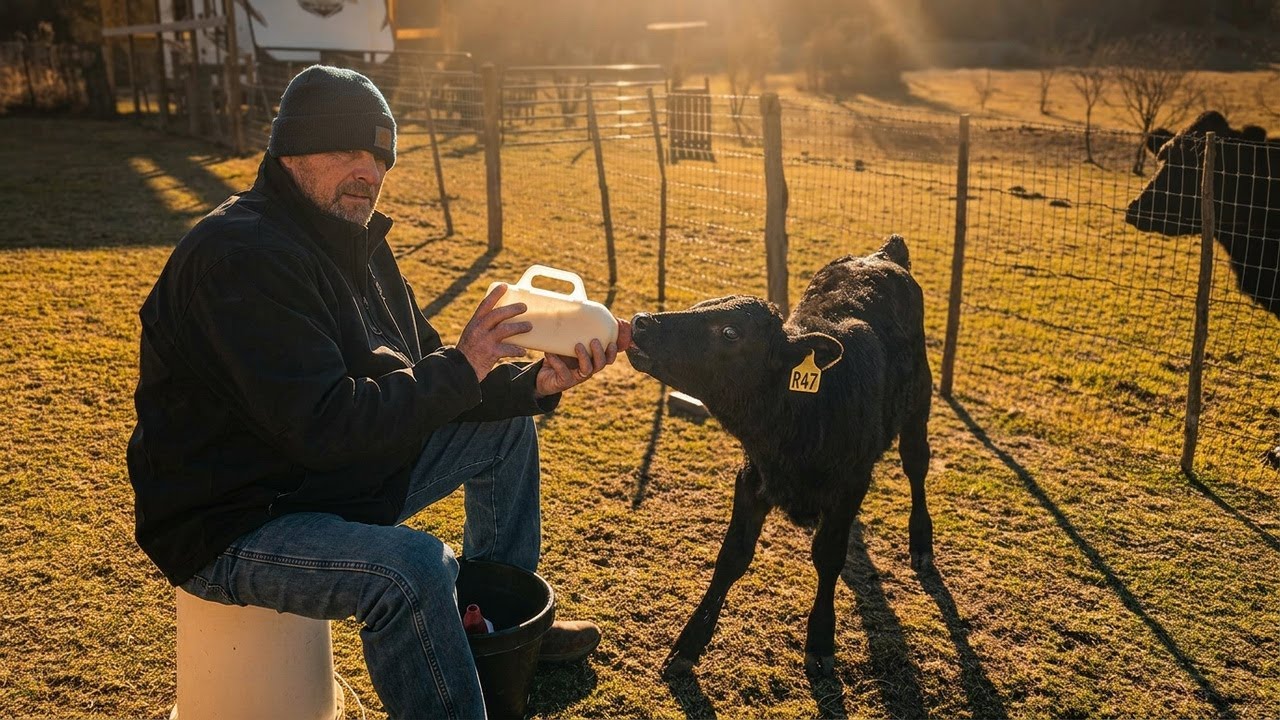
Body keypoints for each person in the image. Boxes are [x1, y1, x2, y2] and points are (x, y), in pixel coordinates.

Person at [127, 65, 628, 719]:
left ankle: (499, 626)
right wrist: (460, 367)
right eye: (347, 150)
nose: (368, 170)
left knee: (506, 429)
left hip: (323, 480)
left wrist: (532, 383)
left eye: (380, 156)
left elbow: (427, 374)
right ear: (290, 151)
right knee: (413, 569)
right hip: (235, 518)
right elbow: (324, 425)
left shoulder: (354, 240)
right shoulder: (240, 256)